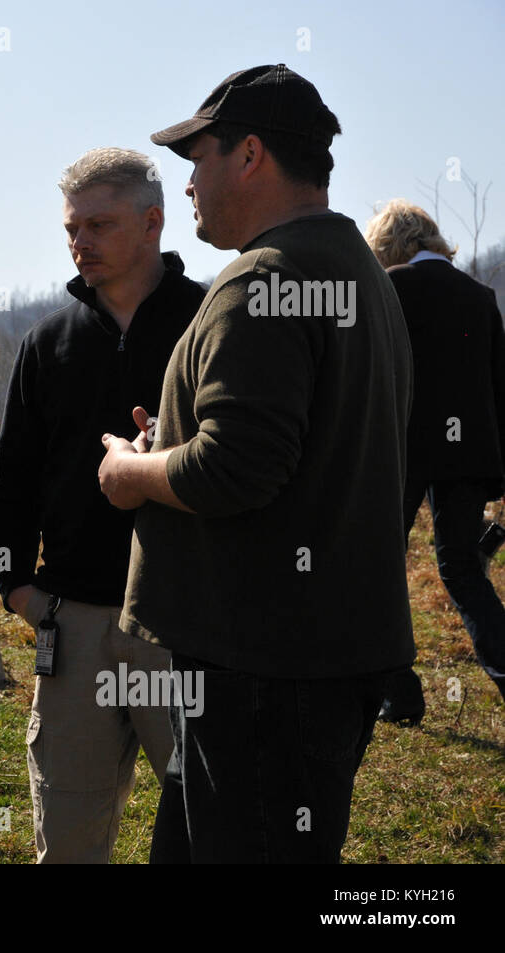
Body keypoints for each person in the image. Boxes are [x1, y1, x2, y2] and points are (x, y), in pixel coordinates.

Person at [97, 65, 415, 862]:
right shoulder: (361, 273)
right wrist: (169, 450)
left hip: (263, 669)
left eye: (196, 158)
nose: (190, 185)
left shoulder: (264, 279)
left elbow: (234, 469)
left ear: (249, 156)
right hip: (316, 657)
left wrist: (130, 474)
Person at [0, 148, 205, 862]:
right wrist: (19, 590)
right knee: (69, 841)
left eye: (99, 225)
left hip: (186, 620)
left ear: (153, 222)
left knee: (213, 827)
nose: (79, 242)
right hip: (71, 623)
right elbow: (9, 479)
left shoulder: (210, 324)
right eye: (71, 227)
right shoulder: (48, 342)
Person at [364, 199, 505, 723]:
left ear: (391, 245)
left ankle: (399, 693)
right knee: (464, 572)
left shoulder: (393, 286)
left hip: (399, 450)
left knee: (379, 568)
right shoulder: (481, 295)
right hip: (468, 454)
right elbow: (498, 386)